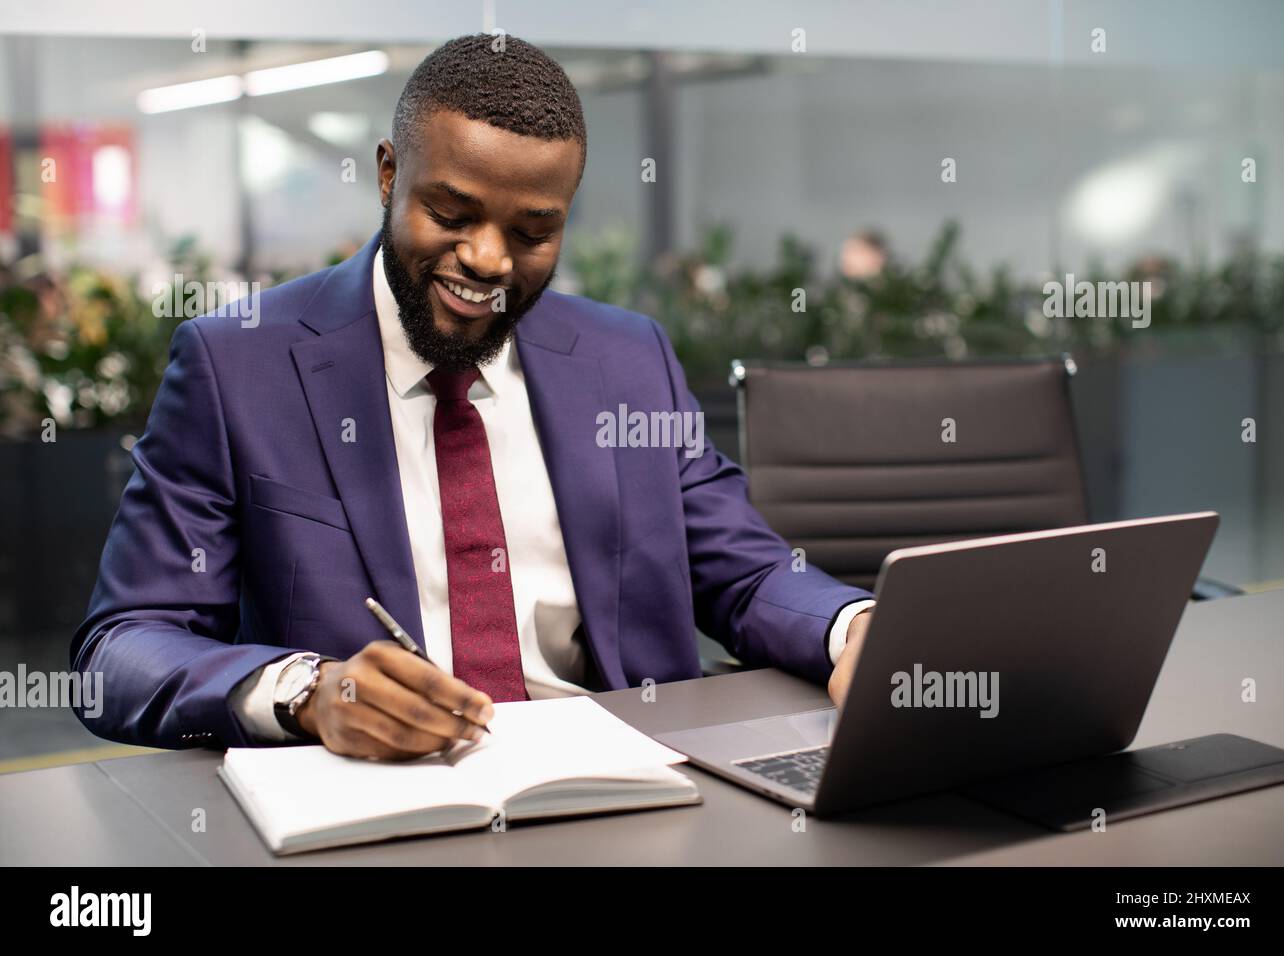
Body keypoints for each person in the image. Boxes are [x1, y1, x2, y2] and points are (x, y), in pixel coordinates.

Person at [72, 34, 874, 760]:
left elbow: (747, 574)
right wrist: (307, 693)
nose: (488, 259)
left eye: (531, 233)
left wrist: (855, 629)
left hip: (634, 788)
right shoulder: (238, 364)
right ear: (389, 175)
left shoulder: (627, 360)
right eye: (450, 214)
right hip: (381, 803)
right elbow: (123, 647)